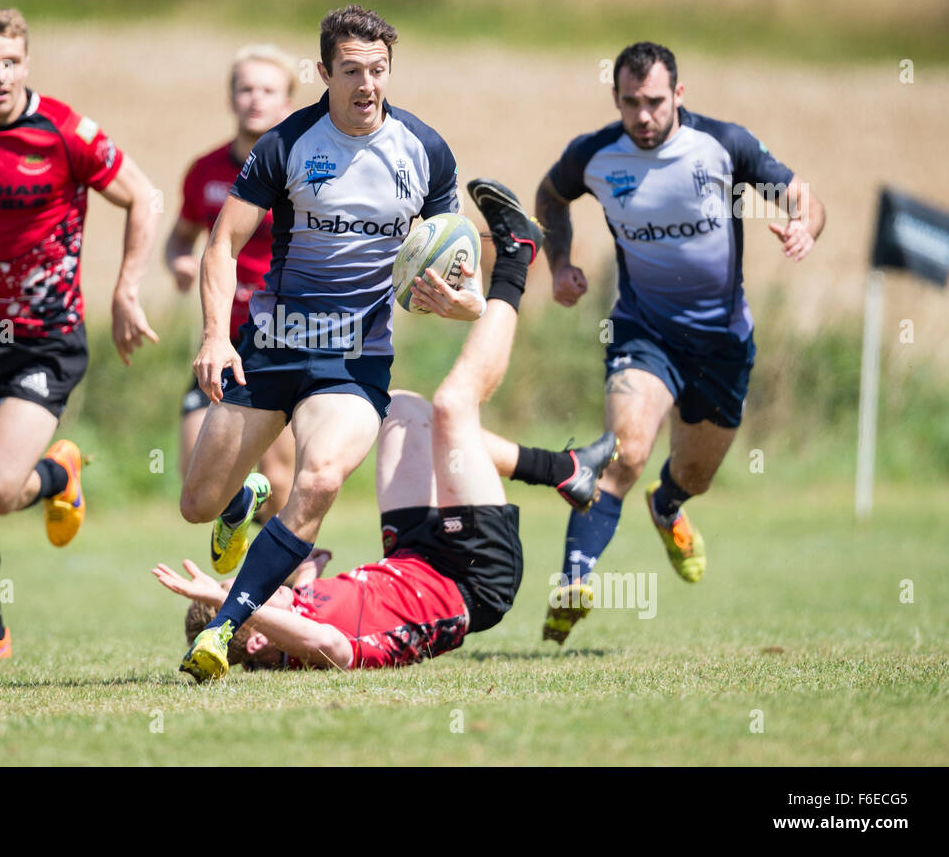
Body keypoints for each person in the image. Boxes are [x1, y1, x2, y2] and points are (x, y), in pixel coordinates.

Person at [176, 4, 494, 682]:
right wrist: (212, 334)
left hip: (354, 361)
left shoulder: (425, 151)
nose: (367, 85)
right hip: (269, 351)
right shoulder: (287, 143)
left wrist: (467, 303)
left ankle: (226, 624)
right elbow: (223, 241)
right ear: (322, 72)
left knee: (320, 479)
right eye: (351, 70)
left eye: (378, 70)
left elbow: (456, 255)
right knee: (196, 502)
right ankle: (241, 500)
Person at [156, 208, 618, 671]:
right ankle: (516, 259)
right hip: (473, 576)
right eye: (244, 596)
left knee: (401, 410)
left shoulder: (289, 617)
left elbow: (297, 600)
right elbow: (333, 646)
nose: (255, 588)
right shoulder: (314, 648)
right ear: (256, 642)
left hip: (412, 554)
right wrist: (228, 602)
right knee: (453, 404)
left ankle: (565, 470)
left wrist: (306, 568)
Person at [532, 41, 826, 644]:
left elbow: (804, 195)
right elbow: (550, 197)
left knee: (694, 472)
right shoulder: (594, 155)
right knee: (625, 450)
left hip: (722, 341)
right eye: (631, 103)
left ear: (679, 96)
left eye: (656, 102)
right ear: (615, 98)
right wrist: (559, 262)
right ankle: (573, 582)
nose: (643, 116)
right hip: (644, 330)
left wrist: (803, 224)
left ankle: (667, 507)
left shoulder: (723, 145)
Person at [0, 7, 158, 659]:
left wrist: (126, 287)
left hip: (44, 338)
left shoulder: (63, 130)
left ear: (26, 63)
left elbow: (144, 195)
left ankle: (59, 473)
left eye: (11, 62)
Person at [164, 45, 298, 523]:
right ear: (231, 98)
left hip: (280, 340)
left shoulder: (302, 172)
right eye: (245, 88)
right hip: (220, 341)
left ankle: (285, 579)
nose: (254, 99)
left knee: (278, 475)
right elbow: (179, 239)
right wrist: (180, 263)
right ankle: (242, 514)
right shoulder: (205, 171)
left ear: (288, 102)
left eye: (268, 90)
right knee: (198, 481)